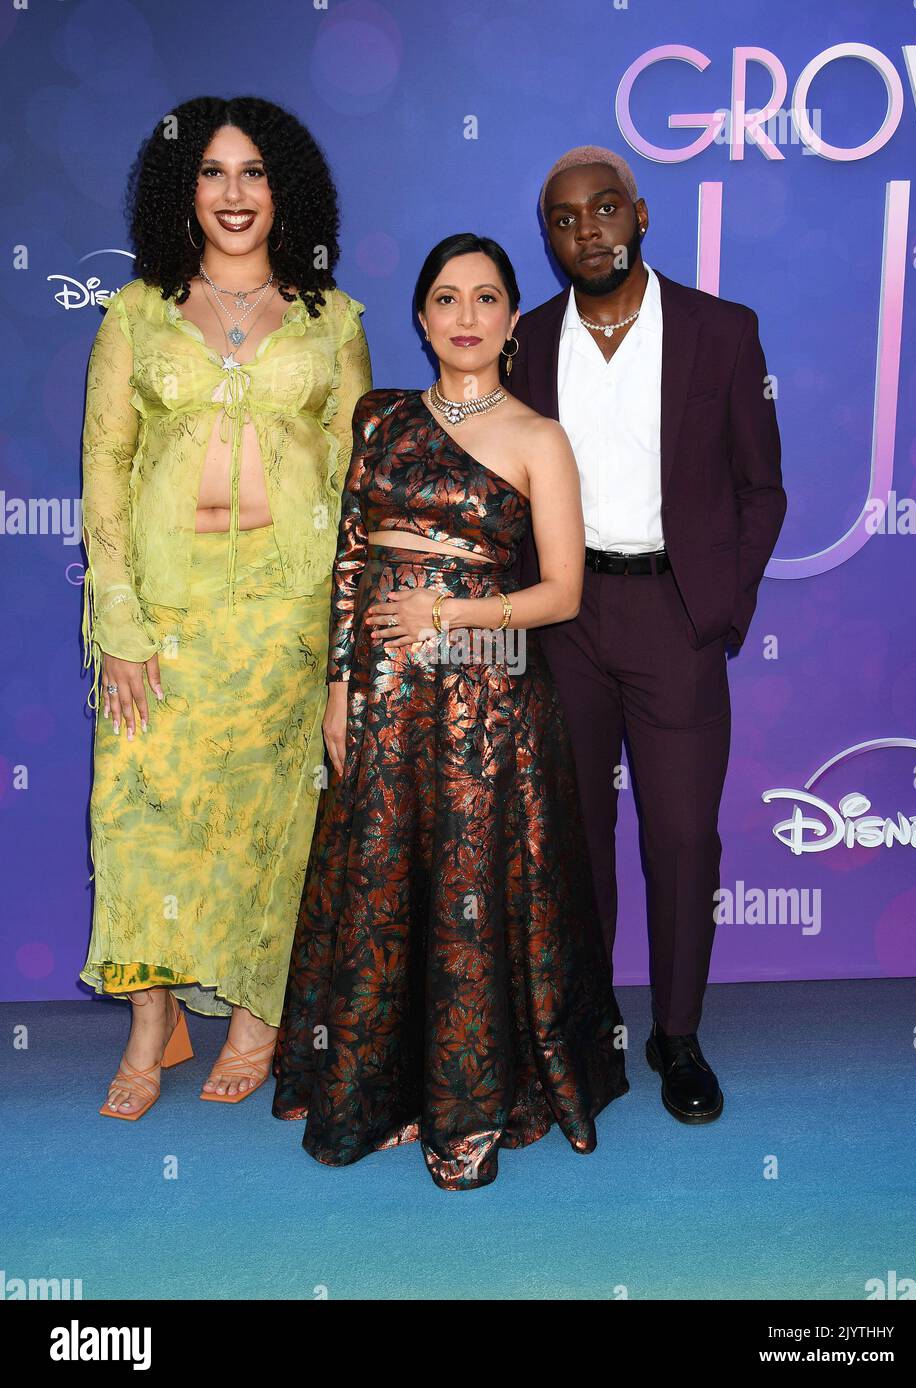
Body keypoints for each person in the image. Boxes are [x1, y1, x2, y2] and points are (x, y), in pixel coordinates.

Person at [272, 233, 629, 1190]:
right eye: (446, 298)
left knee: (469, 886)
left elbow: (562, 593)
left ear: (513, 320)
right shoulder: (380, 419)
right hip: (384, 697)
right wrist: (342, 689)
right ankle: (381, 1094)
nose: (465, 316)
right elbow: (353, 563)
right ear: (422, 318)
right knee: (388, 885)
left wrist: (452, 611)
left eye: (485, 299)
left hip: (486, 693)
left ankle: (468, 1106)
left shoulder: (538, 438)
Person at [79, 96, 372, 1118]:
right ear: (183, 190)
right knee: (139, 817)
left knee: (271, 821)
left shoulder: (334, 321)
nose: (234, 193)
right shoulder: (135, 314)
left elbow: (353, 488)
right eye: (212, 172)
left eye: (253, 172)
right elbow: (104, 472)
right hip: (162, 609)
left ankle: (257, 1015)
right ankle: (154, 1024)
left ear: (283, 188)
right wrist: (116, 615)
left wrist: (341, 643)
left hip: (284, 616)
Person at [504, 146, 787, 1124]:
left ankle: (676, 1036)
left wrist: (719, 606)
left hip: (674, 616)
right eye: (564, 219)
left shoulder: (720, 331)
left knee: (678, 839)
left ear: (640, 215)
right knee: (573, 841)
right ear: (548, 237)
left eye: (604, 209)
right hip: (567, 619)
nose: (586, 230)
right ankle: (586, 1029)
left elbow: (762, 489)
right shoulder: (525, 343)